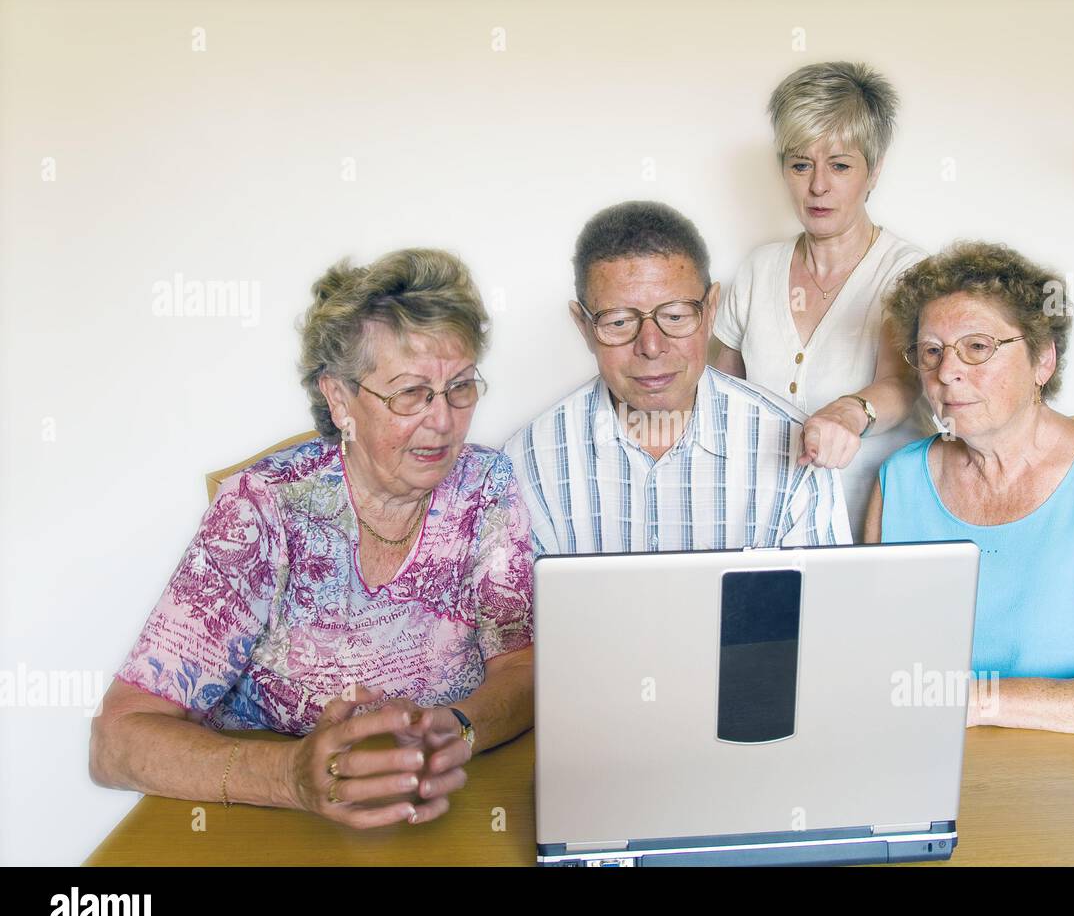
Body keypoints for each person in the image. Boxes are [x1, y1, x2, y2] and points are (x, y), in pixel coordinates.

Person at [90, 248, 536, 828]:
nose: (443, 420)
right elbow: (116, 741)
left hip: (439, 806)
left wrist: (462, 726)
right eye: (409, 393)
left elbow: (521, 665)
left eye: (460, 387)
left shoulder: (484, 487)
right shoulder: (263, 510)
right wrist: (289, 778)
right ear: (339, 398)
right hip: (276, 822)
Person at [864, 241, 1074, 736]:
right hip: (923, 769)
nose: (947, 371)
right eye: (931, 352)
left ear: (1042, 361)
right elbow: (866, 664)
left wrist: (978, 702)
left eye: (977, 347)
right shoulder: (897, 482)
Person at [505, 200, 851, 555]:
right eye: (619, 322)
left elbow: (823, 605)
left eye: (675, 317)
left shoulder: (796, 451)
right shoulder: (529, 461)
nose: (651, 347)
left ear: (712, 309)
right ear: (584, 327)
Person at [713, 61, 928, 539]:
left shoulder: (907, 273)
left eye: (840, 165)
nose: (818, 186)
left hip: (872, 527)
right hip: (763, 532)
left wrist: (850, 412)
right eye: (801, 164)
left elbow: (903, 384)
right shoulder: (756, 270)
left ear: (873, 171)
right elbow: (720, 397)